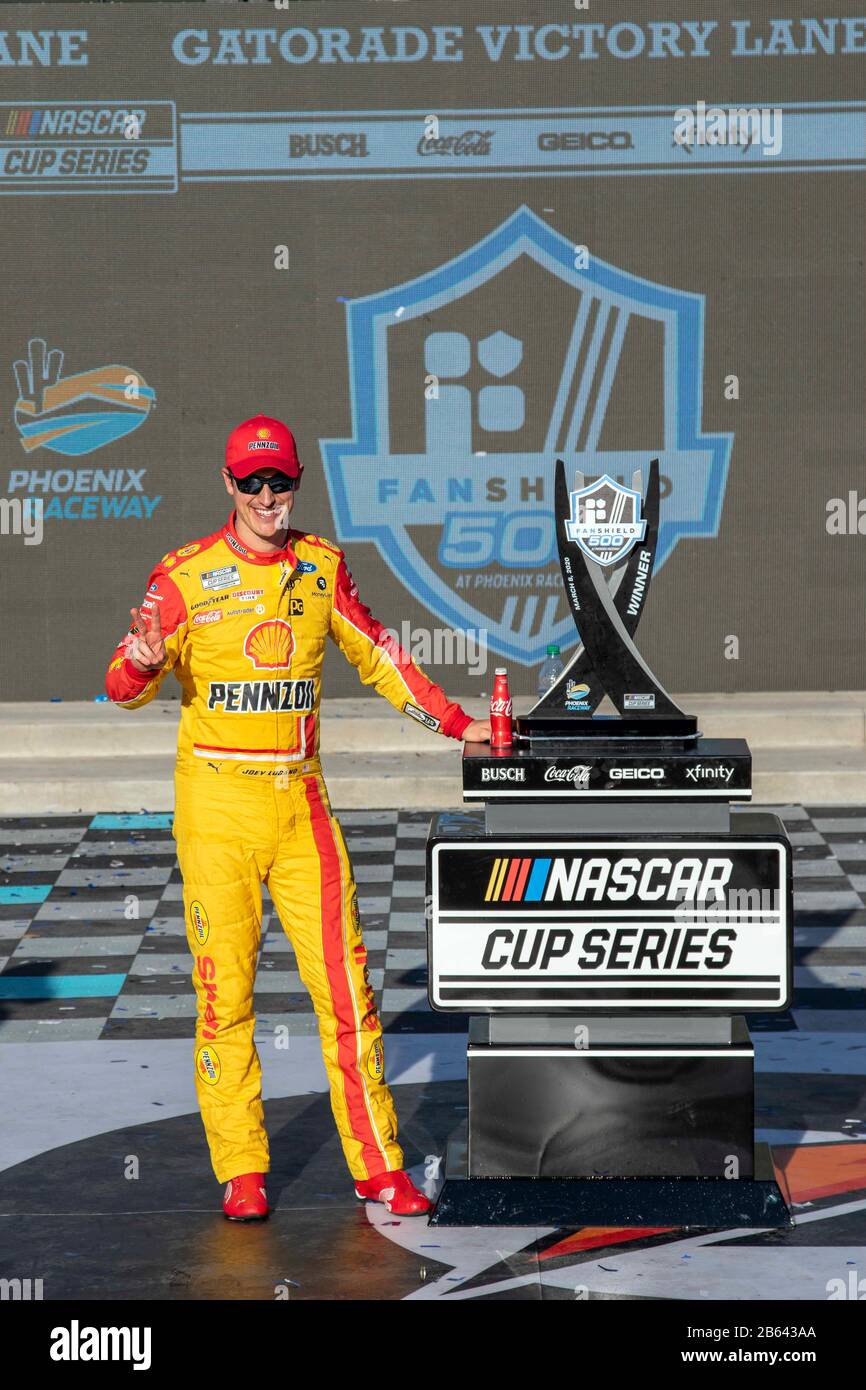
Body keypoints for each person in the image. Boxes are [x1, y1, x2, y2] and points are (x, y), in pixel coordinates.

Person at [105, 414, 490, 1221]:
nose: (268, 496)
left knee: (347, 992)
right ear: (229, 485)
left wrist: (459, 727)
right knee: (225, 998)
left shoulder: (321, 567)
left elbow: (381, 653)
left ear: (296, 483)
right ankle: (242, 1170)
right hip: (215, 810)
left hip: (300, 805)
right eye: (253, 482)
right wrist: (141, 661)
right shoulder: (182, 577)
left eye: (280, 480)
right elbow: (120, 682)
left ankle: (380, 1164)